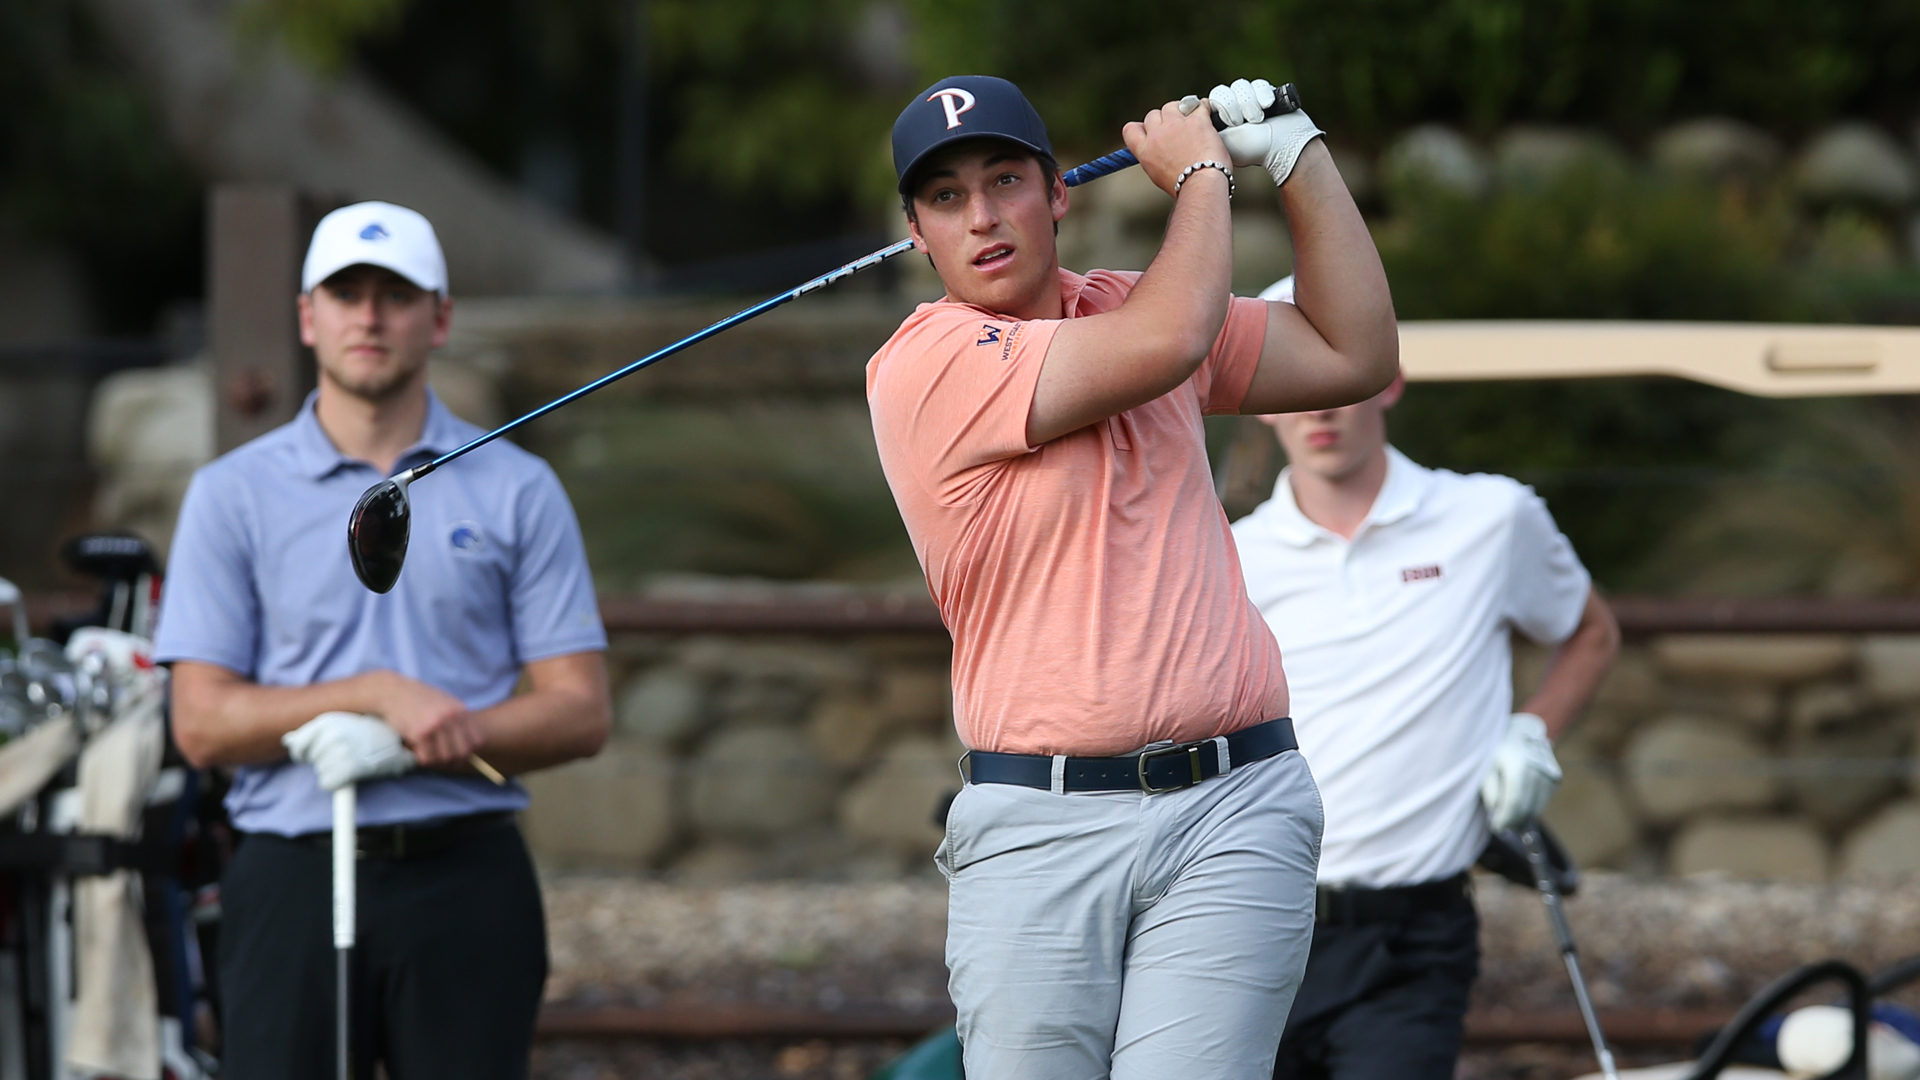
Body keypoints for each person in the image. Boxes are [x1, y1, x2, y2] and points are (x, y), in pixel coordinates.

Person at [866, 76, 1399, 1079]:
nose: (982, 216)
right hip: (1038, 827)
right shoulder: (922, 363)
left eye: (1005, 181)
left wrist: (1298, 157)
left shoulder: (1129, 301)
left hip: (1235, 805)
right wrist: (1200, 172)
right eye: (945, 198)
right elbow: (1169, 340)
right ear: (917, 232)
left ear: (1056, 193)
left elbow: (1352, 352)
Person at [155, 201, 612, 1079]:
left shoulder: (518, 487)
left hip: (464, 876)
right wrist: (373, 695)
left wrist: (449, 735)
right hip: (291, 873)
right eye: (346, 293)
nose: (369, 316)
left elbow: (579, 711)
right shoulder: (232, 493)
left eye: (396, 294)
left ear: (438, 319)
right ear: (306, 316)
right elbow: (201, 723)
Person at [1230, 372, 1621, 1080]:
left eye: (1338, 381)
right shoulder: (1230, 554)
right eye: (1291, 387)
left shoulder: (1490, 517)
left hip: (1413, 938)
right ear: (1261, 409)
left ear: (1388, 383)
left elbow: (1591, 632)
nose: (1317, 405)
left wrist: (1530, 731)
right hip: (1254, 925)